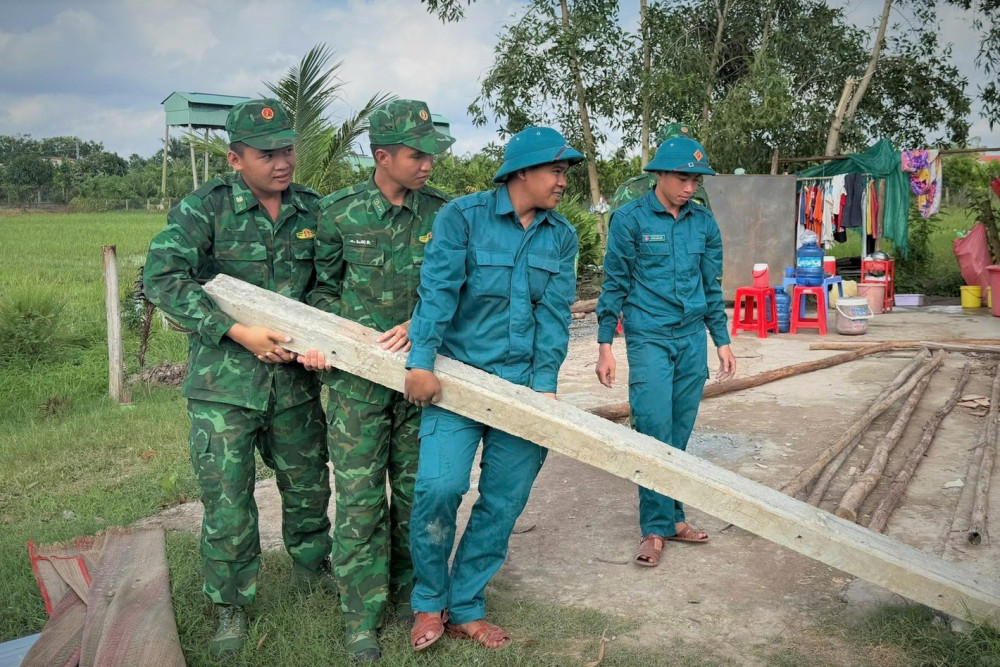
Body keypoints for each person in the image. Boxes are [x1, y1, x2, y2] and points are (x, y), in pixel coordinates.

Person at [143, 98, 334, 657]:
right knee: (227, 498)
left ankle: (312, 572)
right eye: (267, 154)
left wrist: (314, 338)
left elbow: (329, 283)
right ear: (235, 158)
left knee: (307, 484)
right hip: (224, 387)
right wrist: (234, 331)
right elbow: (163, 277)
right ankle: (231, 605)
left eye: (288, 150)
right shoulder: (205, 208)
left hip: (294, 382)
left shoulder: (312, 210)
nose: (282, 162)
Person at [402, 127, 583, 652]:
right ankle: (428, 601)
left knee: (504, 501)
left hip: (522, 389)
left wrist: (545, 388)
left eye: (565, 172)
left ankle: (466, 606)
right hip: (457, 381)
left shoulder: (561, 235)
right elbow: (438, 291)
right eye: (556, 171)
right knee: (439, 488)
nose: (563, 181)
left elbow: (554, 316)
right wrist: (420, 361)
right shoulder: (463, 217)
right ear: (522, 171)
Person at [299, 99, 454, 663]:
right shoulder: (339, 213)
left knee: (417, 495)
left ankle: (413, 593)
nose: (428, 165)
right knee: (361, 501)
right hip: (355, 386)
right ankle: (361, 614)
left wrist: (421, 324)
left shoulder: (444, 215)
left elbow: (457, 287)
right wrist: (337, 337)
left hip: (419, 379)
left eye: (433, 154)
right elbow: (319, 289)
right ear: (381, 155)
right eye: (417, 155)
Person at [595, 136, 737, 568]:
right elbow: (615, 283)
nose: (689, 187)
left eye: (696, 181)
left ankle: (673, 519)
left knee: (678, 432)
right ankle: (655, 528)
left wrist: (722, 341)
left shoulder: (704, 223)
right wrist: (605, 345)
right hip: (649, 337)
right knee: (654, 428)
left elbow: (710, 285)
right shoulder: (629, 220)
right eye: (681, 178)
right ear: (658, 175)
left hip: (692, 338)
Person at [609, 123, 712, 212]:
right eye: (673, 150)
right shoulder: (631, 190)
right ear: (658, 152)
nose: (689, 188)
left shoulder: (699, 191)